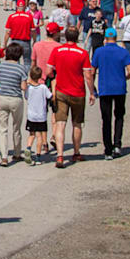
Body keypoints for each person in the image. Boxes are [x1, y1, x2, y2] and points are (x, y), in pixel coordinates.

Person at [46, 26, 91, 166]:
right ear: (77, 37)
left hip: (61, 91)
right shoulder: (82, 53)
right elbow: (88, 75)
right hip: (78, 92)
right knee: (77, 124)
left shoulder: (57, 51)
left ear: (65, 36)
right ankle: (76, 152)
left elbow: (48, 71)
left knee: (60, 124)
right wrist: (92, 92)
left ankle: (60, 155)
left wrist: (54, 76)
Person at [89, 27, 130, 159]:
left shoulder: (99, 52)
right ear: (115, 37)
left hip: (105, 88)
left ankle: (108, 149)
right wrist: (123, 77)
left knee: (106, 119)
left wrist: (93, 88)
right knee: (119, 116)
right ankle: (117, 145)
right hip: (119, 88)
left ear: (105, 38)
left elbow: (92, 71)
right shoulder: (123, 52)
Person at [0, 42, 29, 166]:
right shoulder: (21, 68)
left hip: (2, 97)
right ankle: (17, 152)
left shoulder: (2, 66)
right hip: (16, 99)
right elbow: (24, 87)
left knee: (3, 129)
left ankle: (4, 156)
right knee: (16, 128)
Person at [23, 66, 50, 163]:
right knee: (39, 137)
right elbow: (49, 96)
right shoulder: (43, 87)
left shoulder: (29, 88)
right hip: (41, 116)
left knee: (31, 135)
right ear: (40, 77)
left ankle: (28, 148)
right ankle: (38, 157)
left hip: (31, 116)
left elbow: (26, 97)